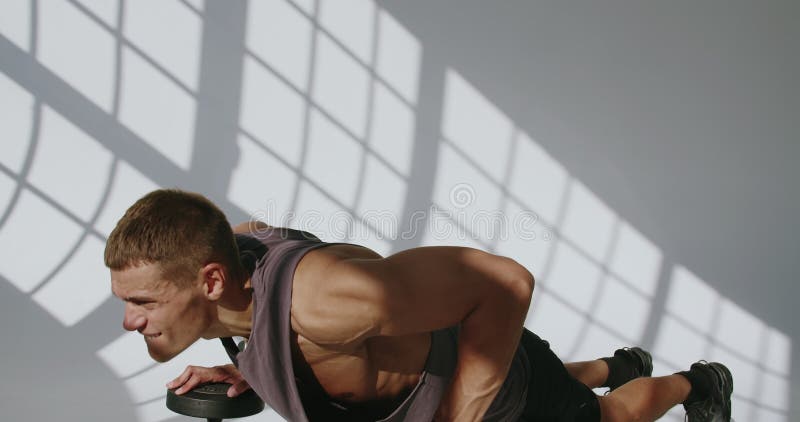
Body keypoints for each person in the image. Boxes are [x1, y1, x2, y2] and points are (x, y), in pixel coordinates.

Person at [104, 189, 733, 422]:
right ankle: (617, 361)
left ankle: (693, 383)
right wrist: (249, 368)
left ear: (211, 281)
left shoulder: (325, 302)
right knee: (554, 373)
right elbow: (275, 324)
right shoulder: (232, 255)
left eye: (142, 302)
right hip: (438, 366)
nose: (129, 320)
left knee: (605, 421)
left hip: (495, 382)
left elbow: (505, 282)